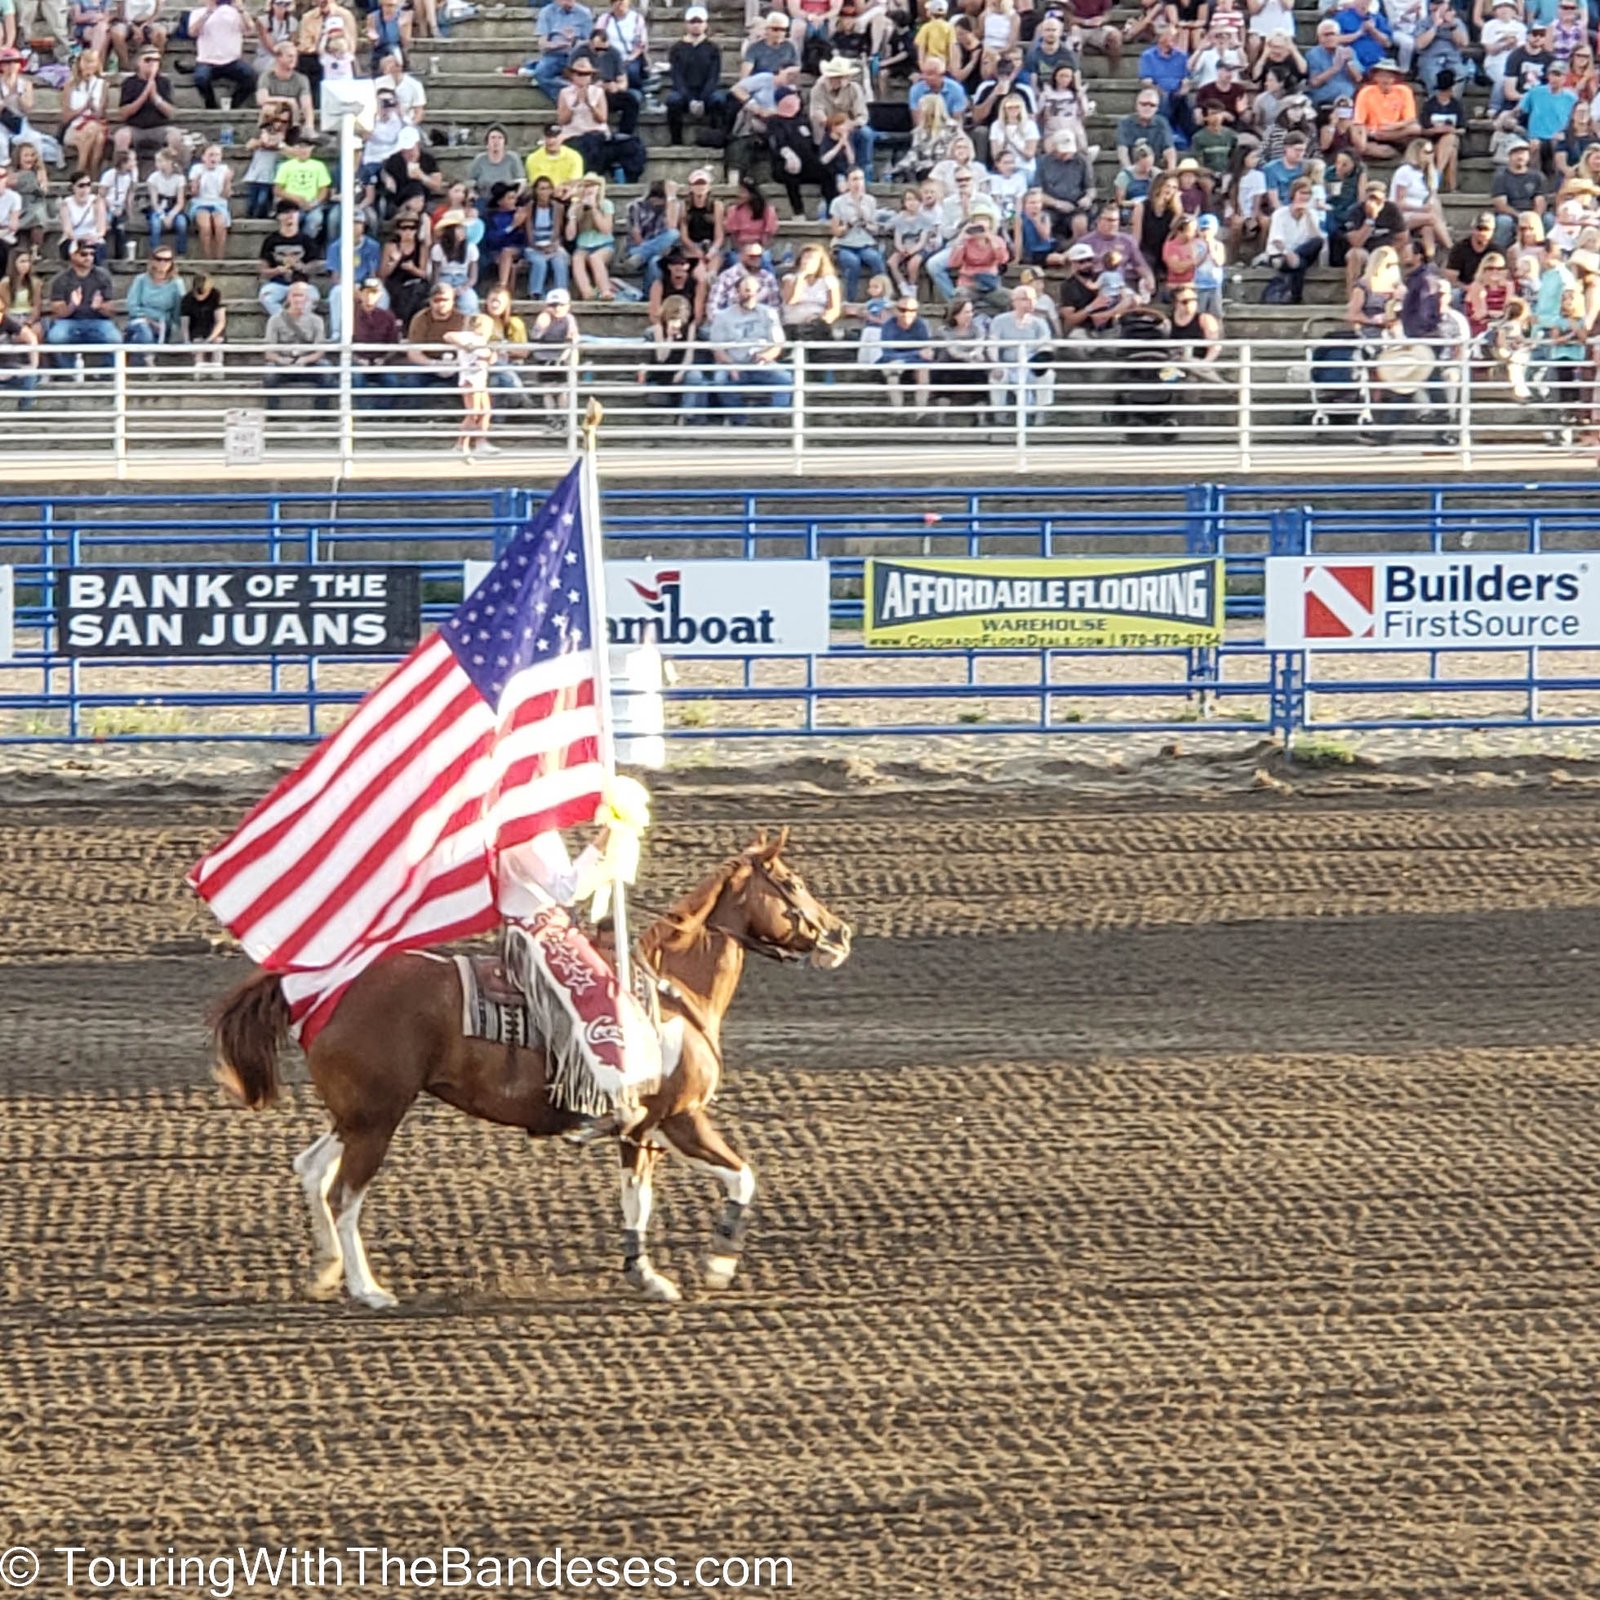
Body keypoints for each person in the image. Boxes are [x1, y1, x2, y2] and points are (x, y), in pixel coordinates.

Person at [495, 778, 659, 1143]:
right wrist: (602, 844)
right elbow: (568, 889)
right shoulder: (527, 837)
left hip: (542, 923)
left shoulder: (525, 828)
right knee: (597, 989)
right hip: (536, 931)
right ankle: (597, 1097)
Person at [706, 270, 790, 415]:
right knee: (720, 381)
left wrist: (766, 356)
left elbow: (777, 344)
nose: (751, 294)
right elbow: (717, 349)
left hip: (761, 364)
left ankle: (777, 417)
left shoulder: (769, 313)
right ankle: (739, 419)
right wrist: (730, 366)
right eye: (746, 290)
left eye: (754, 291)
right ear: (737, 291)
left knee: (785, 378)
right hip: (733, 364)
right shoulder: (722, 316)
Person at [46, 238, 119, 367]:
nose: (89, 258)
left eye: (92, 254)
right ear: (72, 255)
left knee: (114, 338)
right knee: (56, 336)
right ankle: (67, 374)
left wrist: (100, 307)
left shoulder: (102, 276)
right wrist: (72, 306)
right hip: (69, 321)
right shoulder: (61, 280)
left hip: (97, 321)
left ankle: (107, 373)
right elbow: (58, 313)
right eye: (83, 254)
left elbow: (111, 311)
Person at [263, 278, 334, 410]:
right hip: (283, 363)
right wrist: (281, 360)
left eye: (301, 295)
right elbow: (268, 352)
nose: (298, 299)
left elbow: (320, 351)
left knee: (327, 369)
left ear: (307, 298)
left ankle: (321, 413)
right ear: (288, 297)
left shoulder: (317, 321)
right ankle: (273, 412)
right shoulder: (275, 320)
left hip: (308, 363)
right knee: (268, 373)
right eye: (294, 295)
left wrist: (305, 360)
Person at [665, 4, 726, 146]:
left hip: (706, 91)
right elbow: (677, 77)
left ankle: (714, 138)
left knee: (719, 100)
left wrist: (703, 98)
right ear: (686, 24)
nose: (696, 25)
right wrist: (690, 99)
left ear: (706, 24)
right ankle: (676, 141)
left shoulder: (713, 48)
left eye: (700, 22)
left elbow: (713, 76)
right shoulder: (677, 49)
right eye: (693, 22)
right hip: (685, 92)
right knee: (673, 100)